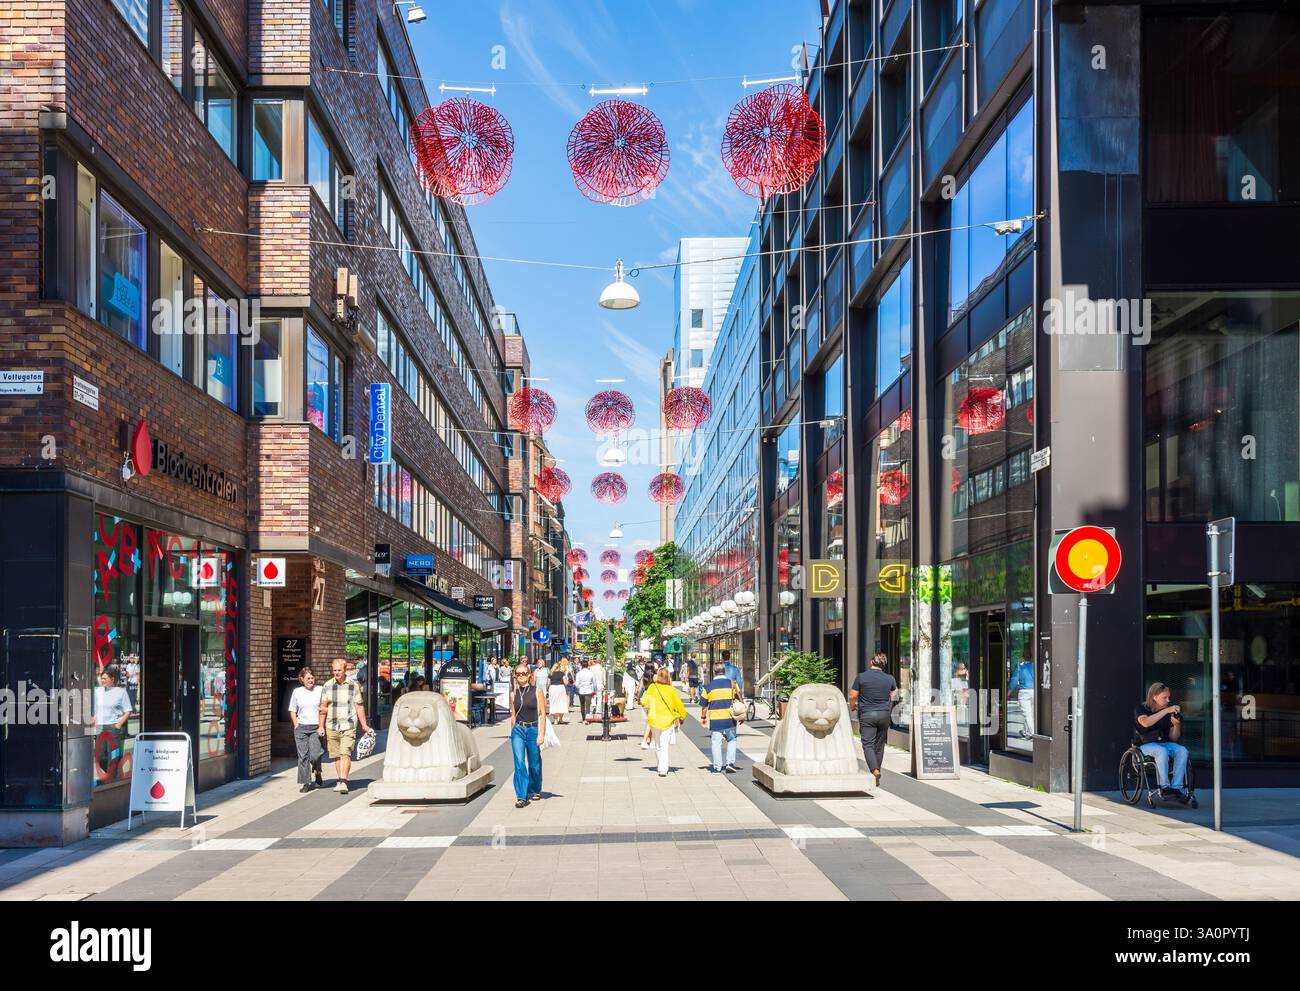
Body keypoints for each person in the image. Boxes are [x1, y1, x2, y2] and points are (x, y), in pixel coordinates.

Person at [319, 657, 373, 795]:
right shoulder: (327, 686)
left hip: (348, 724)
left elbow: (359, 706)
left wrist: (364, 725)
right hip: (331, 725)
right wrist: (320, 726)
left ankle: (344, 780)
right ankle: (340, 779)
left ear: (345, 670)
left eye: (339, 670)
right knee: (337, 755)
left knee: (346, 753)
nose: (336, 673)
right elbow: (323, 707)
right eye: (334, 670)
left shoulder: (353, 685)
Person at [849, 654, 898, 788]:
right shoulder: (890, 678)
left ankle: (874, 771)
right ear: (883, 665)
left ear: (872, 662)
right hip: (884, 715)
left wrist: (852, 705)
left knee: (868, 744)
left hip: (867, 715)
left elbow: (852, 695)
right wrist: (887, 698)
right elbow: (895, 694)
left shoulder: (862, 677)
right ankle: (877, 773)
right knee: (879, 745)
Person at [1135, 682, 1190, 800]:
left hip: (1165, 743)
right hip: (1146, 744)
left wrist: (1176, 725)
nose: (1168, 700)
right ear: (1154, 697)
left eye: (1168, 697)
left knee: (1182, 750)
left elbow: (1174, 738)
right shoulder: (1141, 709)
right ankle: (1164, 787)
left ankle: (1176, 788)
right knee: (1161, 751)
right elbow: (1146, 722)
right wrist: (1165, 711)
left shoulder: (1168, 712)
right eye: (1164, 697)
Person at [508, 663, 547, 808]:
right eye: (518, 674)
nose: (521, 676)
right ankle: (521, 796)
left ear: (530, 674)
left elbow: (543, 713)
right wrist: (512, 731)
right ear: (515, 676)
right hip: (518, 730)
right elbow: (513, 715)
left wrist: (541, 734)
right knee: (519, 763)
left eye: (524, 673)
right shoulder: (513, 694)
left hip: (533, 729)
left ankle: (535, 788)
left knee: (534, 763)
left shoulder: (538, 691)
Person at [640, 668, 688, 777]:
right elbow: (679, 705)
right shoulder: (671, 690)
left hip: (654, 719)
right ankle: (663, 769)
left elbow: (644, 701)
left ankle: (660, 766)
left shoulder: (652, 687)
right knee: (664, 744)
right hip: (668, 721)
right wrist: (682, 716)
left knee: (658, 744)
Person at [93, 666, 134, 783]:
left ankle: (112, 781)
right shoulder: (97, 691)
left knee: (113, 756)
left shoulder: (120, 692)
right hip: (100, 727)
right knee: (100, 756)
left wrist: (119, 724)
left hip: (113, 727)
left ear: (112, 679)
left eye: (105, 678)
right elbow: (94, 708)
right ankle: (108, 775)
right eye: (102, 678)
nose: (102, 681)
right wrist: (94, 720)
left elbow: (128, 711)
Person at [288, 666, 324, 792]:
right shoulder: (297, 692)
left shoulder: (320, 690)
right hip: (301, 727)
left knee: (315, 755)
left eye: (312, 678)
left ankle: (317, 772)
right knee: (303, 756)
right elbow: (292, 709)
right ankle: (306, 782)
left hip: (315, 727)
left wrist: (321, 726)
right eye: (308, 678)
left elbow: (324, 708)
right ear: (302, 679)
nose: (311, 680)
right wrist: (296, 724)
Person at [701, 663, 740, 773]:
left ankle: (717, 767)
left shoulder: (708, 687)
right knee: (732, 740)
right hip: (730, 719)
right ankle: (730, 763)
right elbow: (738, 698)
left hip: (715, 720)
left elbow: (704, 706)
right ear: (724, 672)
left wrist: (703, 717)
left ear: (714, 672)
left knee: (716, 743)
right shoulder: (732, 684)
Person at [1007, 655, 1035, 740]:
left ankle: (1033, 734)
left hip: (1024, 692)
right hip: (1034, 691)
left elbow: (1014, 681)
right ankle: (1025, 732)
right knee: (1031, 713)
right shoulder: (1035, 666)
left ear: (1022, 658)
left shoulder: (1020, 667)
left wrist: (1007, 694)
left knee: (1028, 714)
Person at [548, 660, 570, 725]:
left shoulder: (550, 673)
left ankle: (555, 720)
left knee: (554, 703)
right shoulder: (561, 673)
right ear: (559, 667)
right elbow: (566, 682)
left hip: (552, 688)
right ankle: (560, 719)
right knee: (561, 702)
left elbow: (548, 683)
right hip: (560, 688)